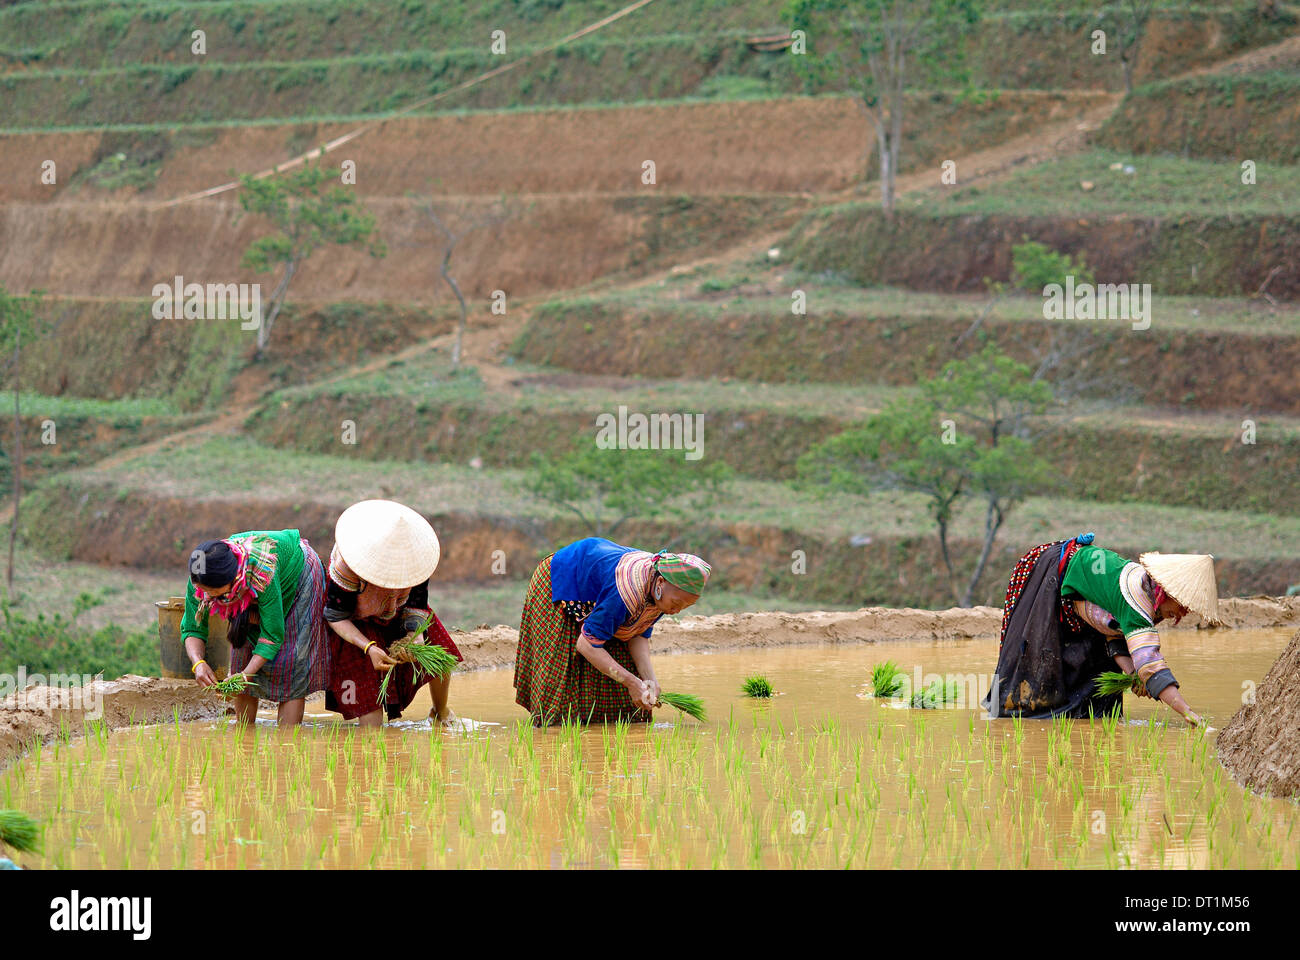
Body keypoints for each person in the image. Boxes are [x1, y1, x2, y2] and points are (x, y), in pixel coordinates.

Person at [983, 533, 1218, 725]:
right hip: (1052, 574)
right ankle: (1018, 720)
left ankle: (1083, 721)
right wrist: (1189, 714)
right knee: (1039, 663)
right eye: (1184, 605)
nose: (1184, 613)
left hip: (1075, 585)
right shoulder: (1136, 603)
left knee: (1095, 686)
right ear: (1166, 592)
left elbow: (1113, 633)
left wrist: (1132, 674)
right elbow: (1152, 667)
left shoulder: (1146, 590)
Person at [513, 537, 710, 725]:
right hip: (562, 580)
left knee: (623, 705)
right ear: (660, 583)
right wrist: (632, 683)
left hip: (600, 591)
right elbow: (587, 645)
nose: (676, 610)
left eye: (685, 607)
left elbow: (638, 634)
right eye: (676, 603)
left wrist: (650, 680)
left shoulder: (661, 597)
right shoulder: (626, 593)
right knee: (560, 681)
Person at [322, 500, 462, 728]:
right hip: (356, 620)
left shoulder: (418, 561)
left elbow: (417, 605)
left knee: (441, 660)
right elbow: (336, 616)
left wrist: (413, 638)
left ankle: (440, 712)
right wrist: (368, 647)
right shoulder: (348, 564)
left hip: (398, 608)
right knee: (370, 721)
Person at [182, 528, 329, 726]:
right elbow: (192, 627)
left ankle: (287, 744)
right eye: (203, 591)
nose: (206, 597)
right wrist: (198, 663)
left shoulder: (263, 573)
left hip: (299, 575)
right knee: (241, 652)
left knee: (291, 662)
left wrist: (246, 675)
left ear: (232, 581)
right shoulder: (201, 578)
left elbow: (272, 635)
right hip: (248, 589)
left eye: (213, 593)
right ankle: (244, 733)